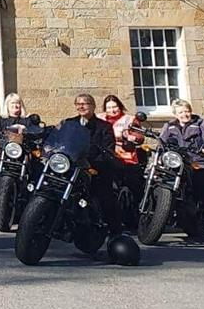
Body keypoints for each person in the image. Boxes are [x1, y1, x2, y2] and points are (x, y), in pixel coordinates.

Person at [161, 98, 204, 245]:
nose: (184, 114)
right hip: (178, 165)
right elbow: (162, 143)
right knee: (183, 196)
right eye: (180, 112)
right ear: (175, 114)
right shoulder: (169, 126)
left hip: (201, 164)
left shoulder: (201, 124)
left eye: (187, 111)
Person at [59, 94, 126, 236]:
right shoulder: (70, 123)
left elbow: (108, 149)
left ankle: (115, 232)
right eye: (78, 103)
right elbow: (59, 140)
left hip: (94, 168)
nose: (81, 106)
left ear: (93, 106)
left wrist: (95, 162)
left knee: (105, 195)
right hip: (70, 166)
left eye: (85, 103)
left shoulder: (104, 127)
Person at [0, 93, 40, 223]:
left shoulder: (27, 120)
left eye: (18, 104)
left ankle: (35, 213)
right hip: (6, 155)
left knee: (36, 174)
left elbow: (37, 132)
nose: (16, 106)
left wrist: (32, 133)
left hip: (24, 155)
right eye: (12, 104)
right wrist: (2, 141)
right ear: (7, 106)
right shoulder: (0, 120)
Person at [102, 94, 148, 230]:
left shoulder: (129, 119)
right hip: (106, 159)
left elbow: (139, 137)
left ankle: (136, 217)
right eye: (109, 107)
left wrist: (130, 136)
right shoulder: (99, 118)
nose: (112, 110)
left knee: (133, 187)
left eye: (115, 106)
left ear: (120, 106)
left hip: (126, 159)